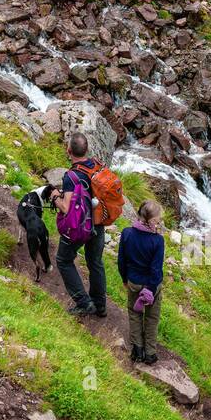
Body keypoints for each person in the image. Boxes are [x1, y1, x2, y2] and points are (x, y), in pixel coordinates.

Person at [53, 133, 108, 318]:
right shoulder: (97, 166)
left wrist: (54, 197)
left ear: (69, 151)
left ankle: (84, 303)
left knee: (63, 260)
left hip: (79, 226)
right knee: (95, 262)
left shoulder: (71, 176)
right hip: (98, 223)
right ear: (87, 150)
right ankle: (100, 305)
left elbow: (67, 208)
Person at [117, 200, 165, 364]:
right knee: (152, 318)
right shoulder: (158, 240)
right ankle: (150, 353)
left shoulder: (127, 233)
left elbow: (121, 260)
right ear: (152, 221)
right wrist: (151, 289)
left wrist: (125, 279)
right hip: (152, 286)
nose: (159, 223)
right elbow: (156, 269)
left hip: (134, 282)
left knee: (134, 313)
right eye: (158, 220)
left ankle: (137, 350)